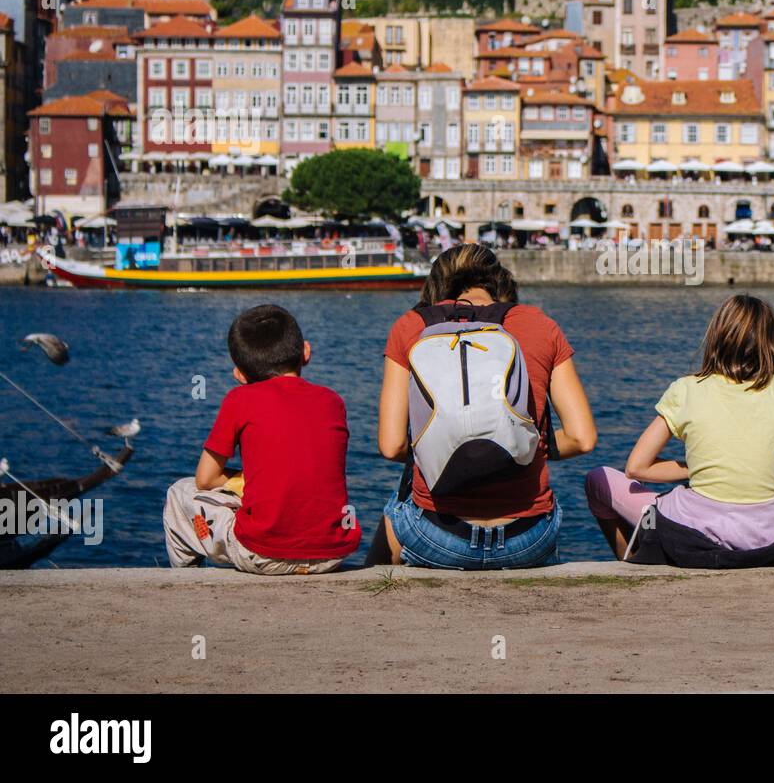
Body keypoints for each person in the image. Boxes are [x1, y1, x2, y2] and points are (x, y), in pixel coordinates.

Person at [375, 243, 596, 569]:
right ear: (498, 280)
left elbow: (392, 446)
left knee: (400, 499)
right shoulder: (539, 324)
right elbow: (582, 438)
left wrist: (447, 449)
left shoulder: (412, 327)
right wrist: (516, 445)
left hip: (439, 537)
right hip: (527, 539)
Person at [585, 294, 774, 563]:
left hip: (693, 532)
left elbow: (636, 468)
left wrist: (703, 469)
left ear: (717, 337)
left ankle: (627, 558)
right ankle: (758, 547)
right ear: (772, 344)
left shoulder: (686, 389)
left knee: (598, 479)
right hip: (767, 536)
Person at [164, 305, 361, 573]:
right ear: (306, 352)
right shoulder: (332, 401)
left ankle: (187, 582)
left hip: (261, 553)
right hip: (332, 554)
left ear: (240, 375)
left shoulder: (239, 399)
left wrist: (244, 479)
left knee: (179, 493)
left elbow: (206, 479)